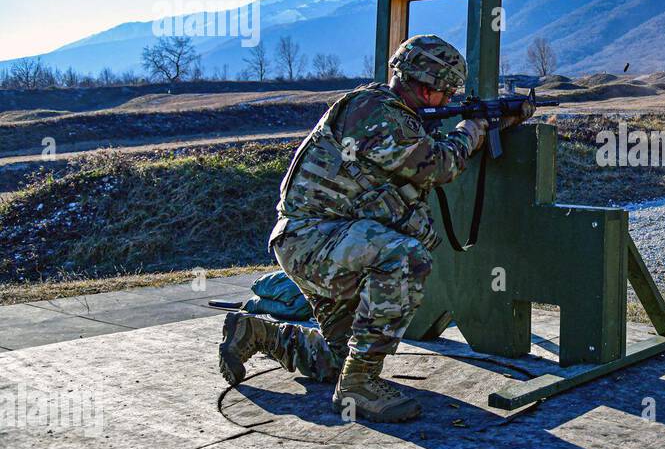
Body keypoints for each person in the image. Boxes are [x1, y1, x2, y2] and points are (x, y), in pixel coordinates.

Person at [217, 34, 533, 422]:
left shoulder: (392, 113)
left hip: (323, 244)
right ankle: (360, 386)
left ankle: (255, 334)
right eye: (445, 92)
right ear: (422, 85)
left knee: (337, 357)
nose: (448, 101)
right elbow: (436, 165)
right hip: (314, 242)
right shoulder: (375, 111)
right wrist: (474, 129)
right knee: (406, 258)